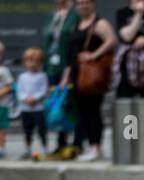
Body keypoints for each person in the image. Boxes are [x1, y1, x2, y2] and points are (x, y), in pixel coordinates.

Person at [62, 0, 117, 162]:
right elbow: (71, 54)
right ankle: (91, 145)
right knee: (83, 112)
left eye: (86, 2)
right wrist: (66, 76)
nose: (82, 6)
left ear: (93, 4)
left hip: (93, 76)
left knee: (93, 111)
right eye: (79, 3)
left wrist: (93, 55)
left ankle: (96, 147)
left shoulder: (99, 23)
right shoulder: (76, 24)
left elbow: (112, 40)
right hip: (76, 75)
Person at [44, 0, 79, 152]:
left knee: (71, 104)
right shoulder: (54, 15)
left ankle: (78, 142)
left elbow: (73, 43)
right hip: (53, 67)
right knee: (57, 105)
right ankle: (61, 142)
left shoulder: (74, 14)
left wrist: (68, 71)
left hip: (68, 66)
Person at [17, 48, 51, 157]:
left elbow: (43, 90)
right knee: (27, 130)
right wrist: (25, 99)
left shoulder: (42, 76)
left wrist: (35, 98)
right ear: (24, 61)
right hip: (25, 108)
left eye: (36, 61)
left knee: (41, 129)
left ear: (40, 62)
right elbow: (19, 91)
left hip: (38, 108)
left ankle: (44, 148)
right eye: (29, 60)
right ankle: (27, 149)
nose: (32, 63)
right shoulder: (22, 77)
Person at [0, 43, 12, 160]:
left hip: (1, 105)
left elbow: (8, 87)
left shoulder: (3, 70)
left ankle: (2, 148)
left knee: (1, 127)